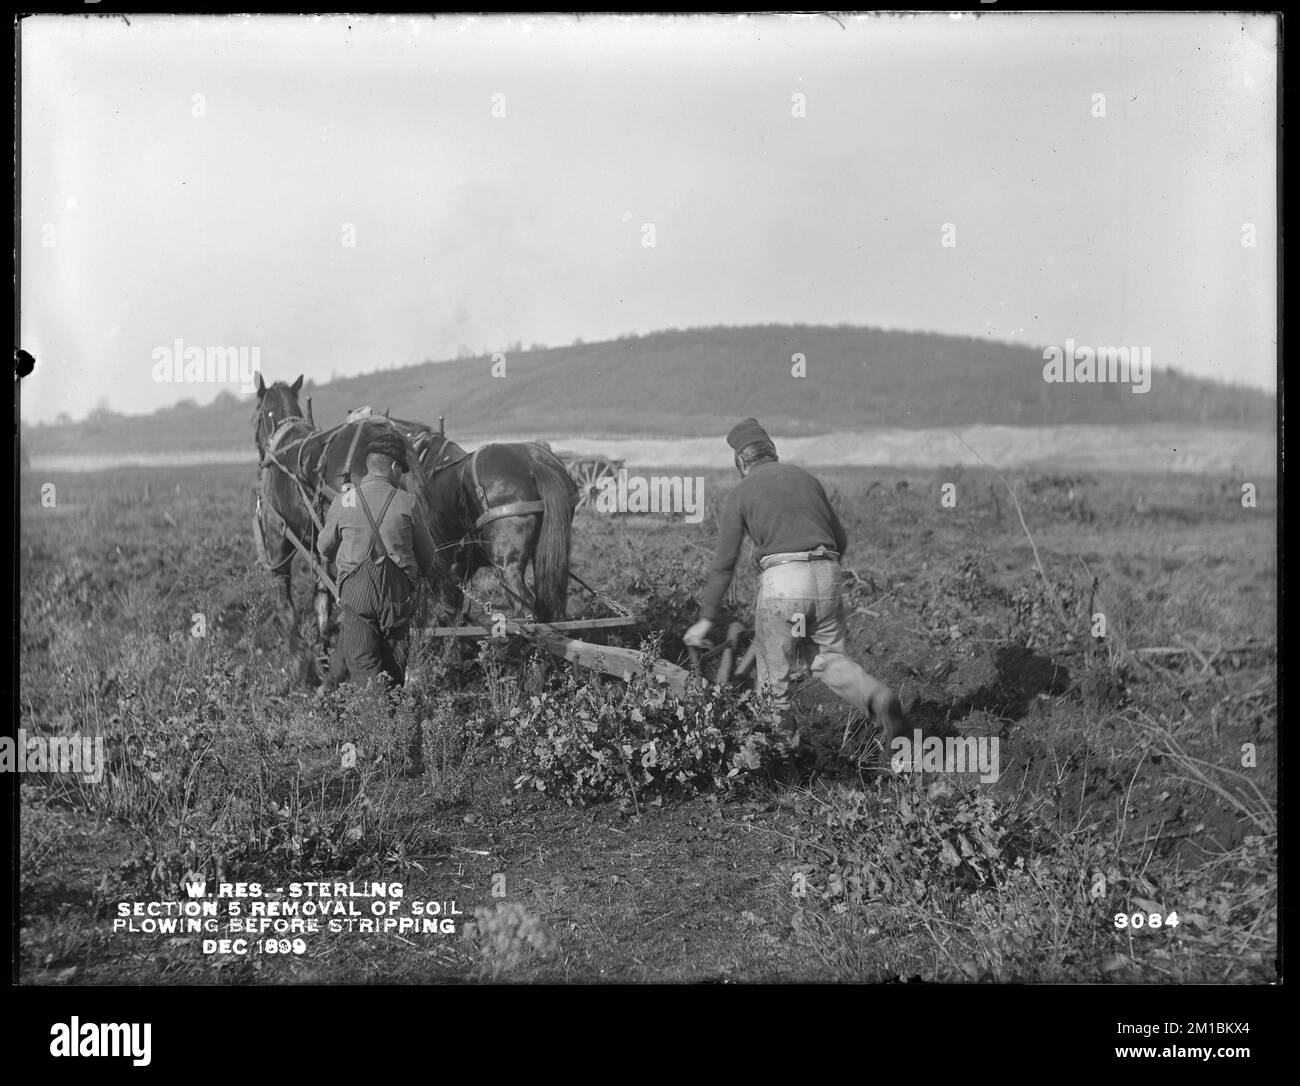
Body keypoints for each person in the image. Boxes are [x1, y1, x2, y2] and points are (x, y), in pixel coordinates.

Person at [683, 418, 907, 756]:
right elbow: (840, 539)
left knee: (774, 678)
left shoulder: (742, 492)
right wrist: (819, 576)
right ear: (772, 453)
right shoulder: (807, 479)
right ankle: (878, 698)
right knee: (828, 658)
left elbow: (724, 563)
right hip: (827, 573)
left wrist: (705, 618)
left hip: (785, 582)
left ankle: (783, 764)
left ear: (741, 462)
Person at [317, 431, 437, 691]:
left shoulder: (345, 499)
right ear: (394, 467)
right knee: (394, 672)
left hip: (357, 594)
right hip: (396, 597)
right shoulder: (407, 502)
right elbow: (428, 559)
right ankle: (392, 723)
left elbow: (324, 547)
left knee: (363, 669)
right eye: (401, 471)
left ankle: (376, 725)